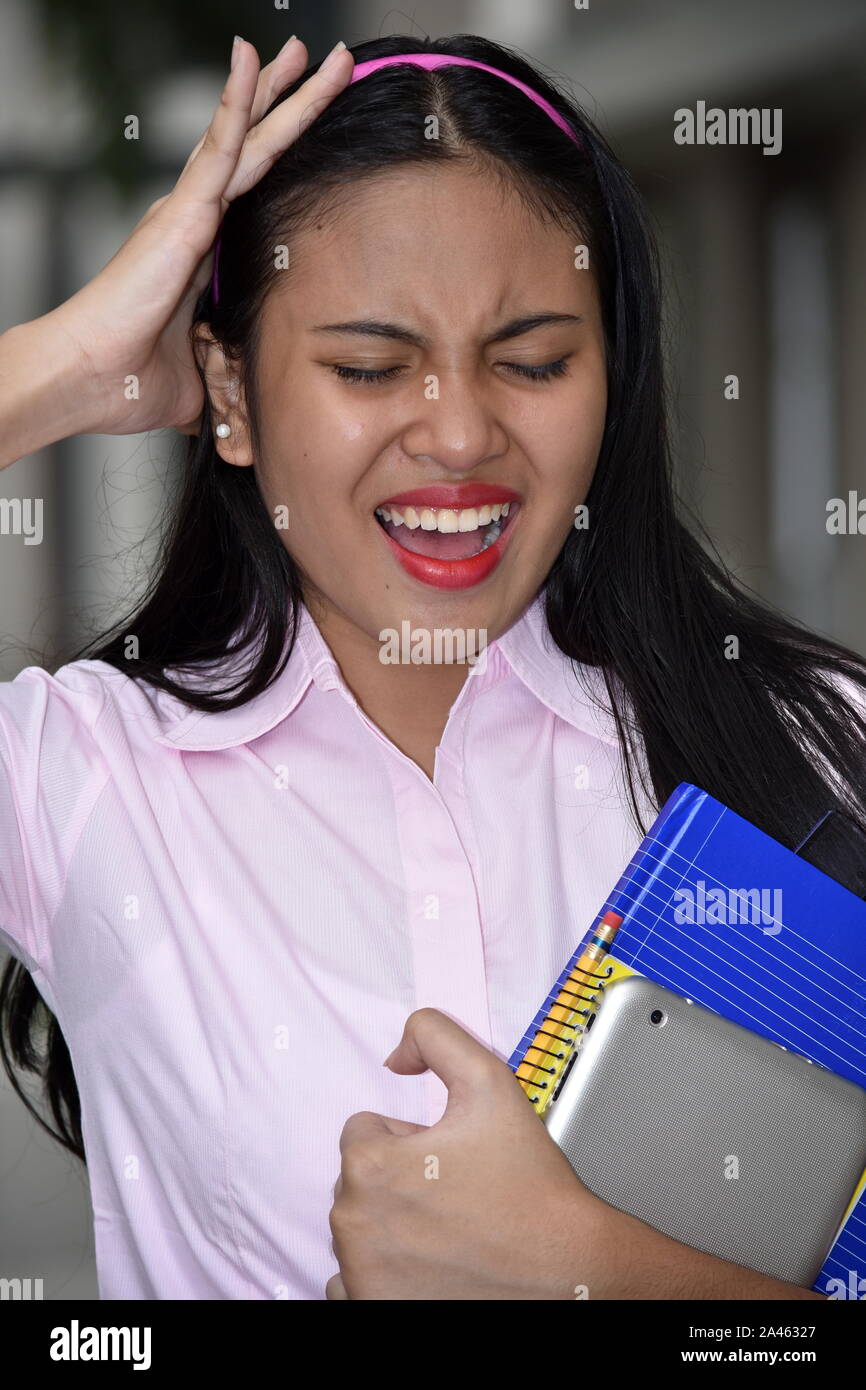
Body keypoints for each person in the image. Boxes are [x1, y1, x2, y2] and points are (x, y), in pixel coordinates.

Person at [0, 31, 862, 1301]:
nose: (460, 433)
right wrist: (69, 362)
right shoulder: (83, 779)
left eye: (531, 362)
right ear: (227, 395)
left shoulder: (819, 742)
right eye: (366, 366)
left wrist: (592, 1268)